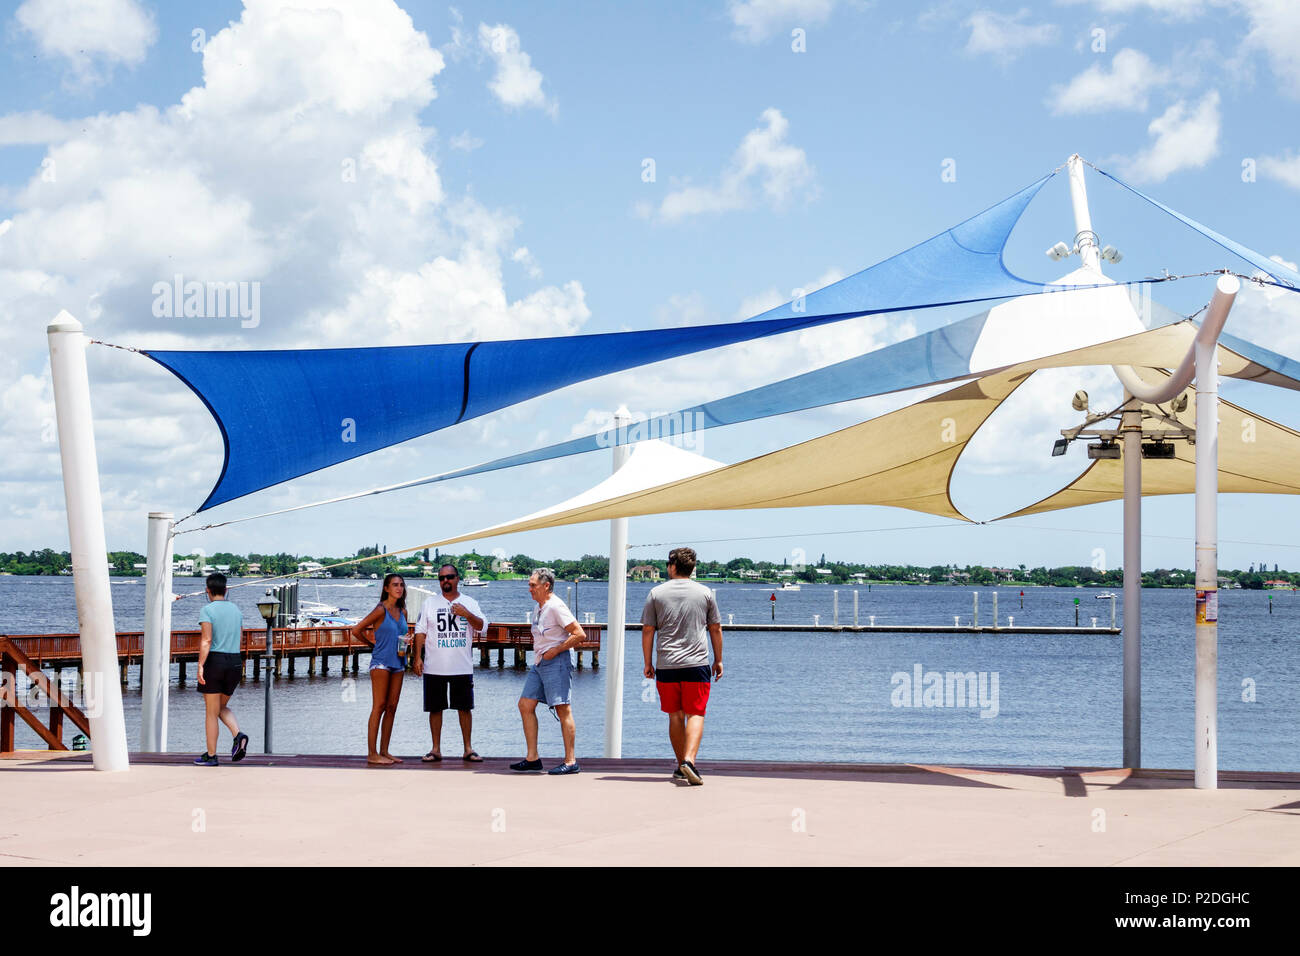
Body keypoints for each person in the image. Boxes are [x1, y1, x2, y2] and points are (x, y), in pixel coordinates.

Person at [641, 547, 723, 785]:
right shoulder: (705, 593)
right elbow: (715, 629)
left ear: (672, 566)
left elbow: (648, 630)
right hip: (696, 664)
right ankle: (689, 760)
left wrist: (647, 662)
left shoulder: (656, 593)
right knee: (696, 712)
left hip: (666, 665)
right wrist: (718, 659)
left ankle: (680, 766)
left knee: (675, 716)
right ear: (692, 567)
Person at [511, 568, 585, 775]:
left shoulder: (556, 607)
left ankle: (571, 762)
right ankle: (532, 758)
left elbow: (579, 634)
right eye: (529, 585)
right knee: (525, 704)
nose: (529, 589)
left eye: (533, 585)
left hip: (557, 661)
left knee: (563, 708)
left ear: (546, 586)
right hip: (540, 662)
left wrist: (557, 650)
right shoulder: (539, 607)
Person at [413, 563, 485, 763]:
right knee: (435, 709)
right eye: (442, 578)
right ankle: (435, 749)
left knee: (464, 708)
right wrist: (417, 657)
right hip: (434, 666)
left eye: (450, 577)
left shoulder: (469, 602)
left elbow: (482, 627)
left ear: (458, 578)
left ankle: (468, 749)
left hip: (461, 666)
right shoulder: (429, 603)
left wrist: (467, 614)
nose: (446, 581)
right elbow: (420, 632)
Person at [351, 573, 408, 766]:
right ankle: (372, 753)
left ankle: (385, 750)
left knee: (392, 707)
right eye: (394, 585)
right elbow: (356, 630)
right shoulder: (380, 610)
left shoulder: (403, 611)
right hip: (381, 663)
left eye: (401, 585)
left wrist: (407, 644)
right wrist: (372, 645)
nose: (399, 588)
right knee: (379, 706)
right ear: (386, 588)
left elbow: (402, 636)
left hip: (399, 663)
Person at [194, 572, 250, 766]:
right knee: (220, 707)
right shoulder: (237, 611)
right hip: (235, 662)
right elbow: (241, 638)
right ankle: (238, 734)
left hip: (215, 662)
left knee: (211, 712)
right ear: (226, 590)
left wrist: (201, 665)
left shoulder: (207, 610)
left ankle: (211, 755)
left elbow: (206, 640)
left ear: (207, 591)